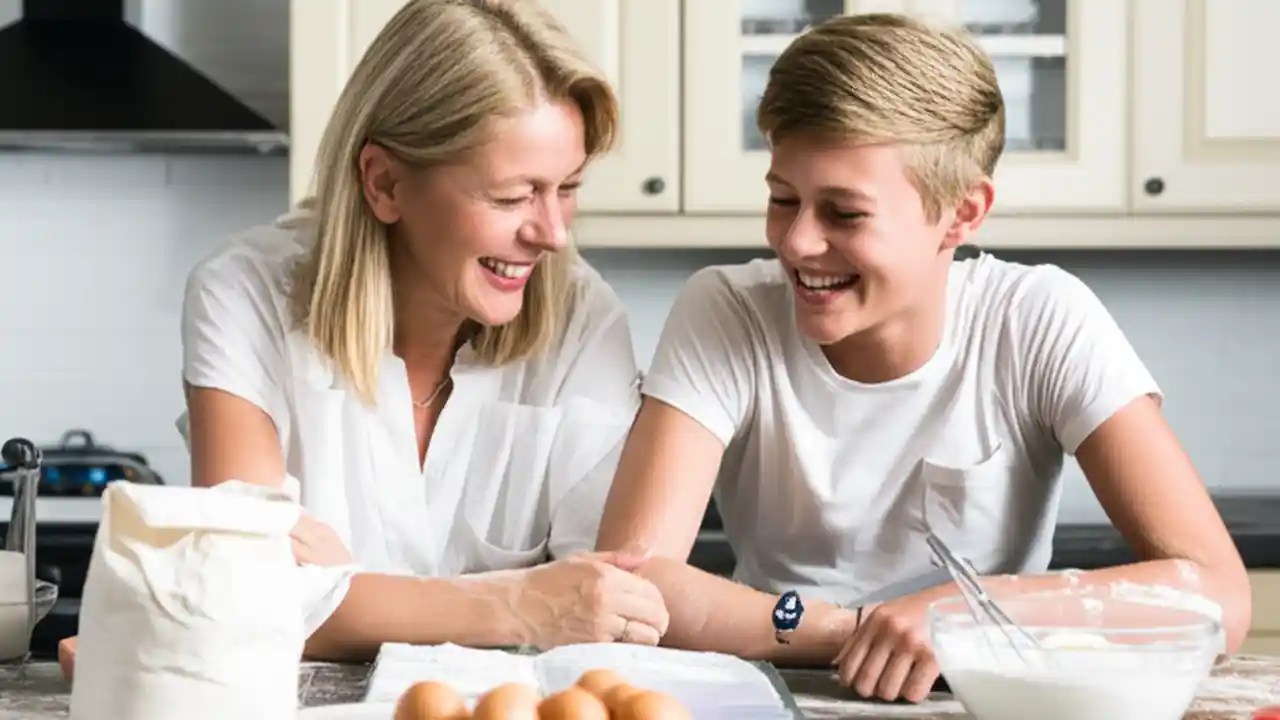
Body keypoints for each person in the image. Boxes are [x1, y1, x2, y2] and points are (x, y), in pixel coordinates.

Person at [595, 12, 1250, 703]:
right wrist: (852, 630)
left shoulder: (1037, 320)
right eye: (782, 199)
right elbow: (633, 583)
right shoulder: (725, 312)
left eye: (843, 214)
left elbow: (1218, 593)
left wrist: (966, 614)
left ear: (963, 214)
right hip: (780, 694)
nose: (796, 242)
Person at [177, 0, 668, 661]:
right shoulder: (244, 296)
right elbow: (243, 598)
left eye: (568, 188)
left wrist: (341, 593)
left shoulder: (583, 318)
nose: (553, 233)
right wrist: (525, 601)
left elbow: (615, 603)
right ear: (384, 184)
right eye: (513, 196)